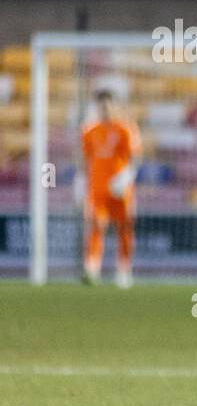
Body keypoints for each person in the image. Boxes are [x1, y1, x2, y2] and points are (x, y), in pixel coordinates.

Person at [81, 88, 140, 288]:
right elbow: (85, 159)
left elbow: (136, 158)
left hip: (120, 190)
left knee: (124, 228)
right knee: (96, 227)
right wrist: (80, 181)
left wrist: (126, 177)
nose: (104, 109)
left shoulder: (125, 129)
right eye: (101, 105)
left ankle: (124, 271)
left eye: (107, 105)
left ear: (115, 106)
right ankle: (92, 269)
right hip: (97, 189)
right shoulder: (90, 130)